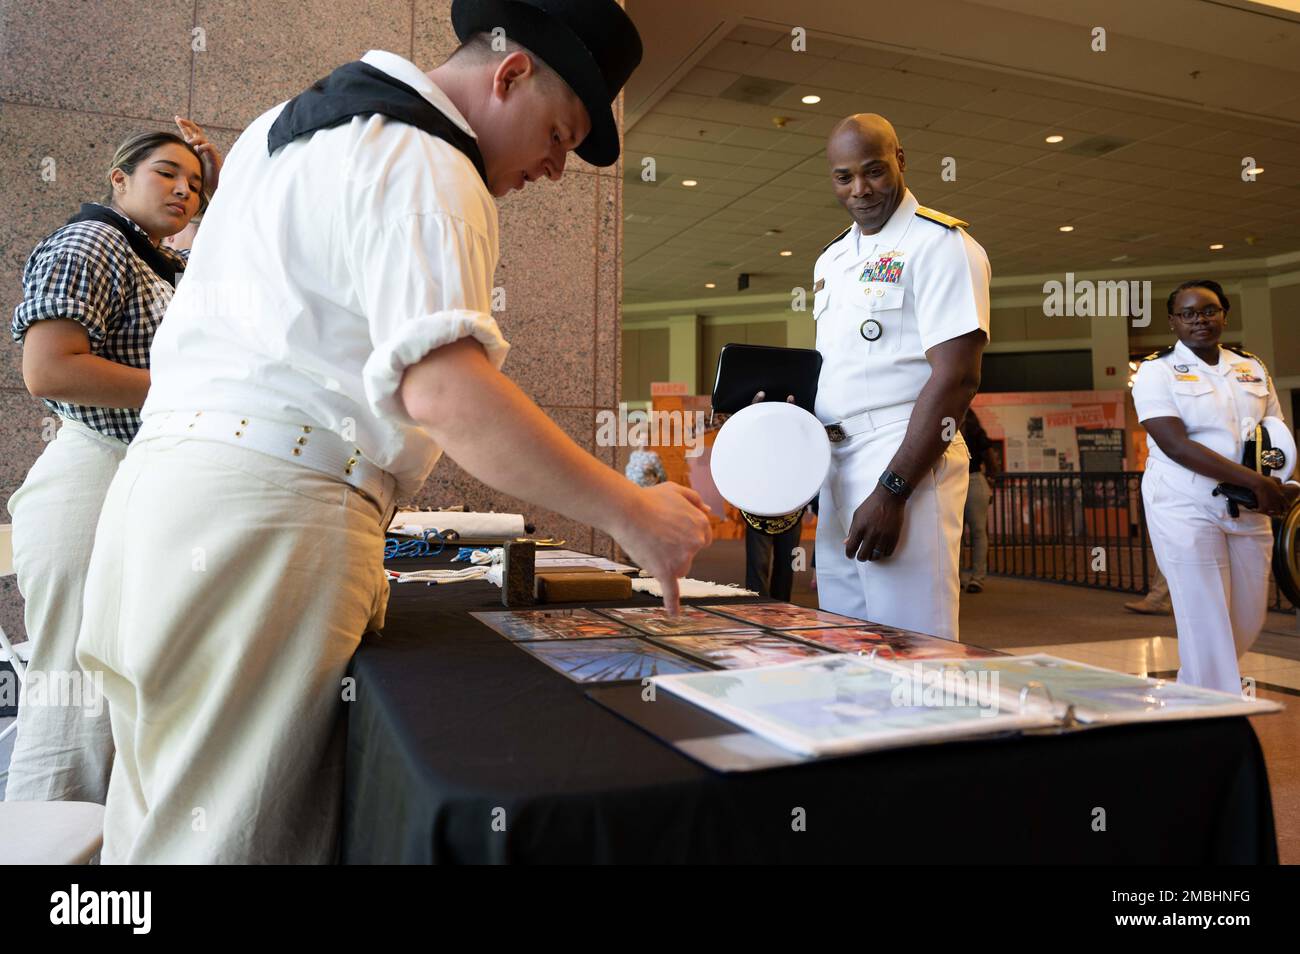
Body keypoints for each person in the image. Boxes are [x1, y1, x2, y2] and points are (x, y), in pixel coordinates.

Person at [74, 0, 710, 864]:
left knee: (154, 828)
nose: (558, 168)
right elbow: (448, 393)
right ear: (511, 73)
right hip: (266, 515)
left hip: (163, 501)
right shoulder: (429, 159)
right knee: (223, 844)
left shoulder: (282, 130)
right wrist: (633, 511)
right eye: (560, 134)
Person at [4, 120, 218, 804]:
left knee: (109, 689)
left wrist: (225, 179)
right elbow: (48, 370)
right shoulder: (95, 239)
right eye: (166, 173)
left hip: (133, 478)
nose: (184, 190)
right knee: (72, 699)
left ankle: (93, 869)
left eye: (195, 183)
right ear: (119, 179)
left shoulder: (155, 259)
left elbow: (224, 259)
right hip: (93, 476)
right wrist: (194, 392)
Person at [810, 114, 990, 640]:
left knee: (912, 645)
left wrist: (893, 490)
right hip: (835, 462)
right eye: (844, 177)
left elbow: (957, 377)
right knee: (845, 641)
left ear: (900, 161)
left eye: (874, 171)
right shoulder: (833, 258)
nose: (860, 190)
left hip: (902, 453)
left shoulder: (941, 244)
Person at [1131, 279, 1300, 693]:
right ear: (1173, 322)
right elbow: (1175, 444)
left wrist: (1283, 481)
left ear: (1224, 313)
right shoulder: (1157, 370)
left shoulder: (1250, 366)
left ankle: (1195, 690)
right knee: (1204, 612)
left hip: (1247, 504)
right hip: (1182, 500)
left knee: (1247, 615)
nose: (1199, 320)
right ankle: (1213, 707)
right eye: (1188, 314)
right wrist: (1256, 481)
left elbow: (1274, 433)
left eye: (1208, 310)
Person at [959, 408, 996, 594]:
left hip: (973, 478)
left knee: (978, 531)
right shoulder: (952, 428)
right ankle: (956, 577)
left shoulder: (974, 432)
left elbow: (990, 457)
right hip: (957, 480)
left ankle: (977, 578)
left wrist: (991, 477)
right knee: (956, 533)